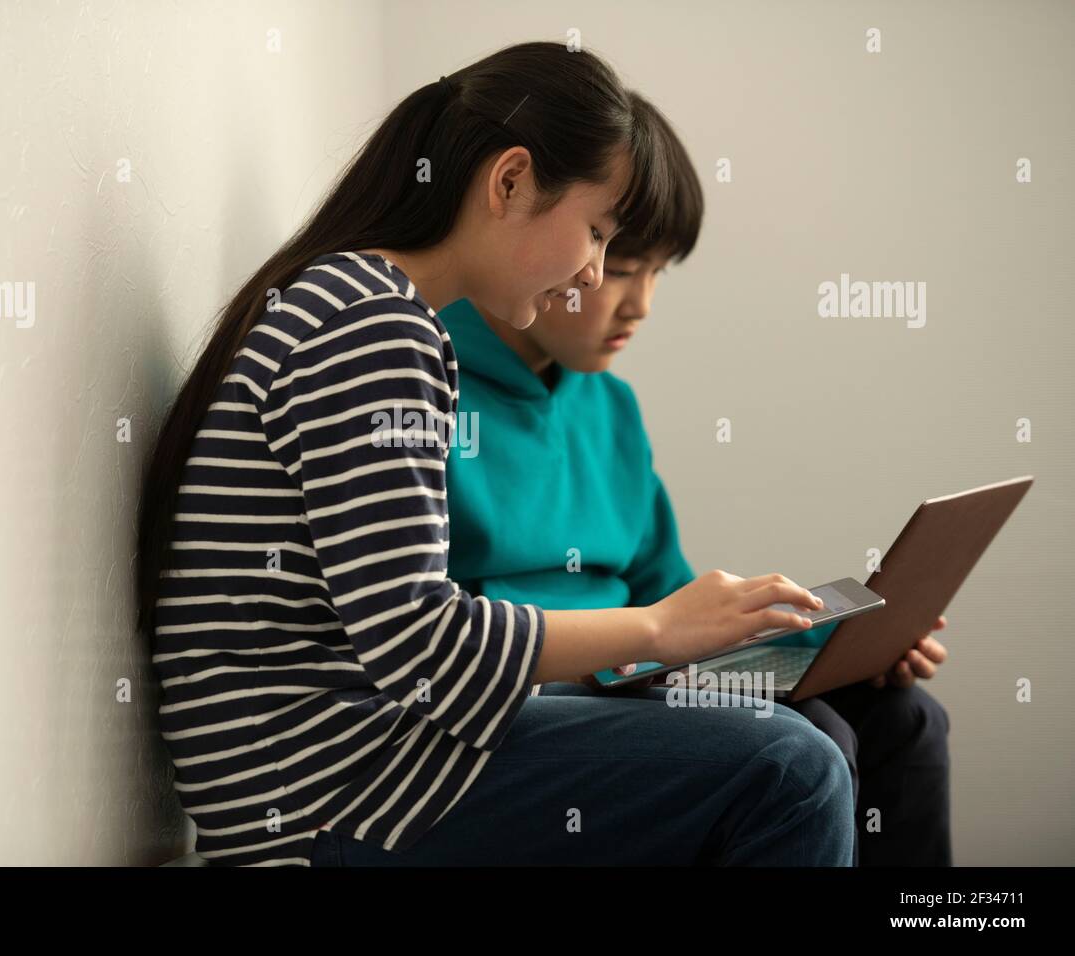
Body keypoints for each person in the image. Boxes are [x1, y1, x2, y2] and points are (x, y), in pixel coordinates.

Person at [136, 42, 853, 867]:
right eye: (595, 232)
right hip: (331, 798)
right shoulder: (372, 325)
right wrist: (658, 628)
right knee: (790, 767)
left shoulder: (356, 304)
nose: (591, 271)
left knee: (788, 741)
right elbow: (418, 640)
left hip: (355, 768)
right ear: (509, 181)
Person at [438, 89, 951, 867]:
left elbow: (670, 603)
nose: (637, 302)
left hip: (635, 672)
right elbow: (427, 628)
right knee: (813, 745)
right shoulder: (424, 381)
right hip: (538, 692)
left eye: (655, 271)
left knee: (903, 717)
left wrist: (833, 643)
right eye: (613, 263)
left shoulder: (609, 408)